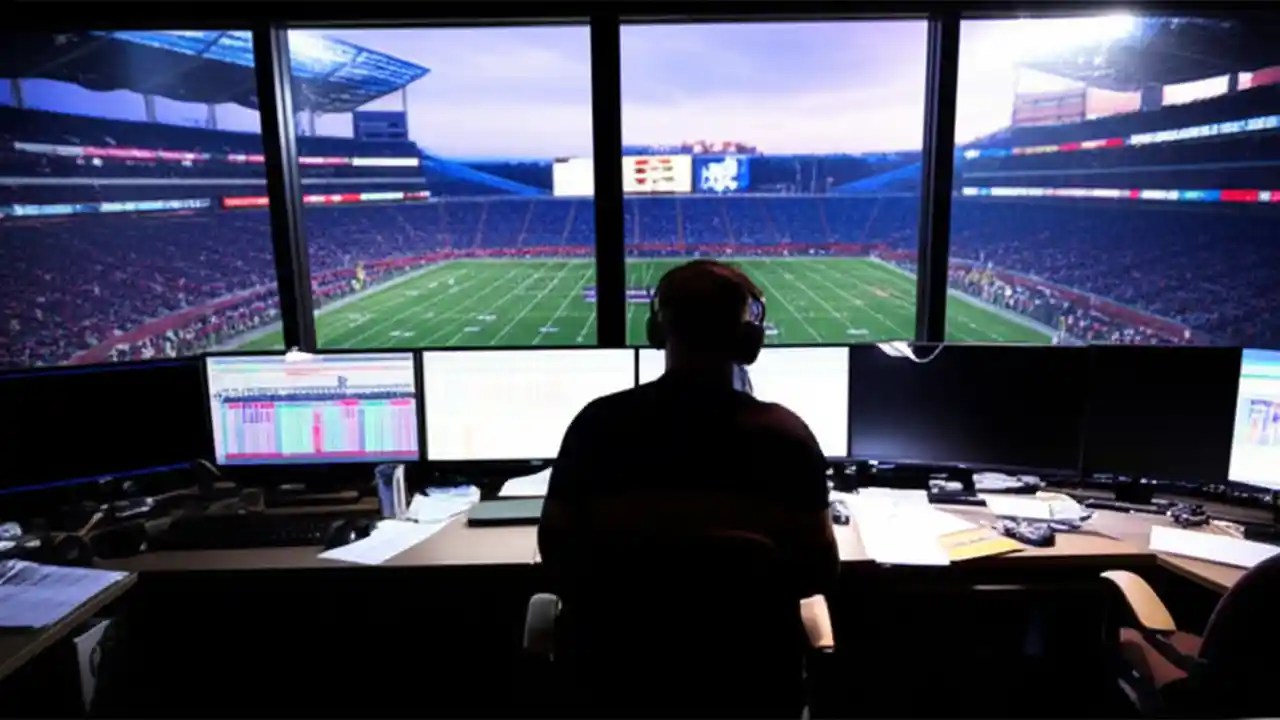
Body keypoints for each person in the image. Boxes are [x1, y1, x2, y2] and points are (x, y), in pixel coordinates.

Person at [539, 257, 839, 610]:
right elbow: (819, 571)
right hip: (750, 657)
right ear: (747, 340)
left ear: (658, 331)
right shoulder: (787, 437)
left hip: (617, 656)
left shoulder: (596, 425)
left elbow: (557, 554)